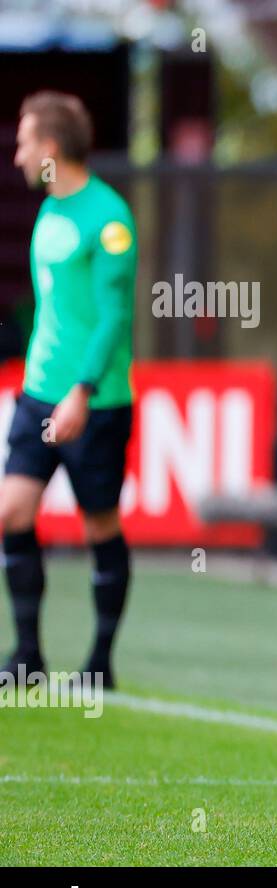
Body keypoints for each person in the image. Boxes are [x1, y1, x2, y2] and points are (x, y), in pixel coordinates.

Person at [0, 92, 136, 690]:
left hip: (94, 402)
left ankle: (100, 661)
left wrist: (81, 390)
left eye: (25, 144)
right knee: (11, 513)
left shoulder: (108, 219)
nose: (19, 158)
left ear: (50, 149)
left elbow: (113, 317)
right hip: (37, 395)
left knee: (99, 523)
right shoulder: (50, 210)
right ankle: (27, 653)